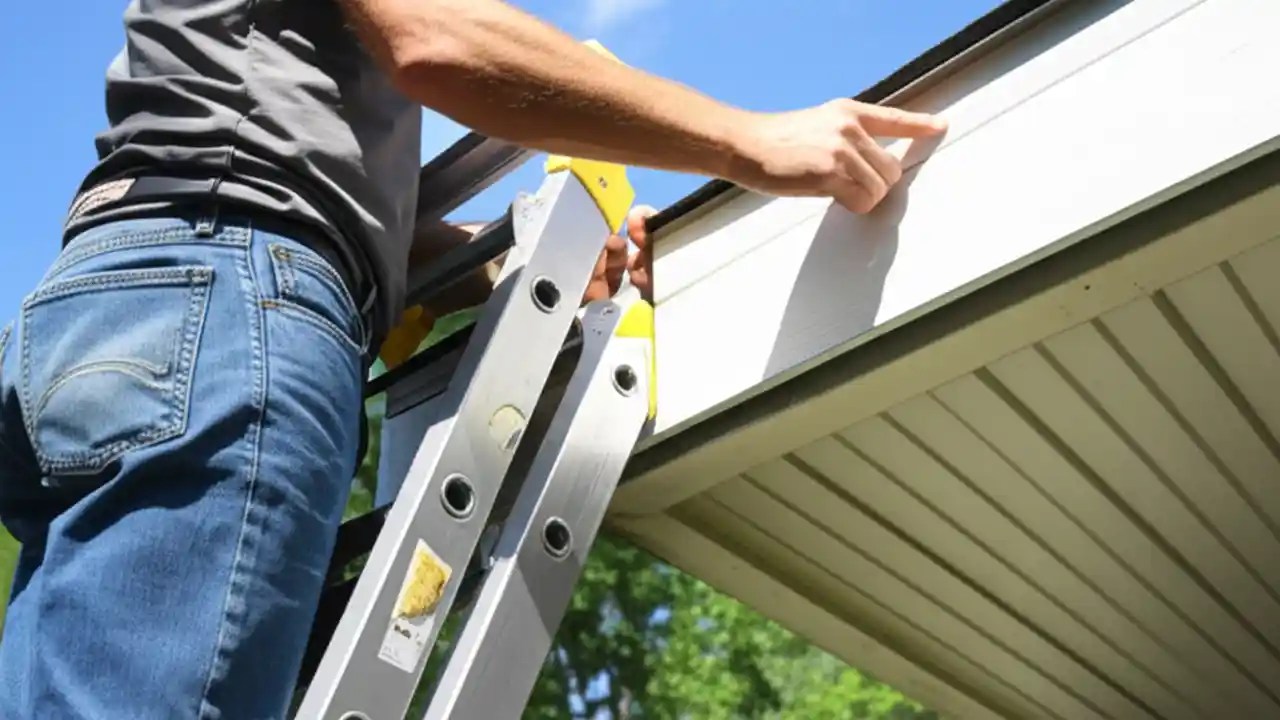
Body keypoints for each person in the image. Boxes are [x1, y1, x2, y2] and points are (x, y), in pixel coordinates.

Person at [0, 0, 947, 717]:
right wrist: (752, 139)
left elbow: (325, 181)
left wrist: (516, 260)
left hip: (122, 308)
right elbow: (437, 38)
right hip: (225, 296)